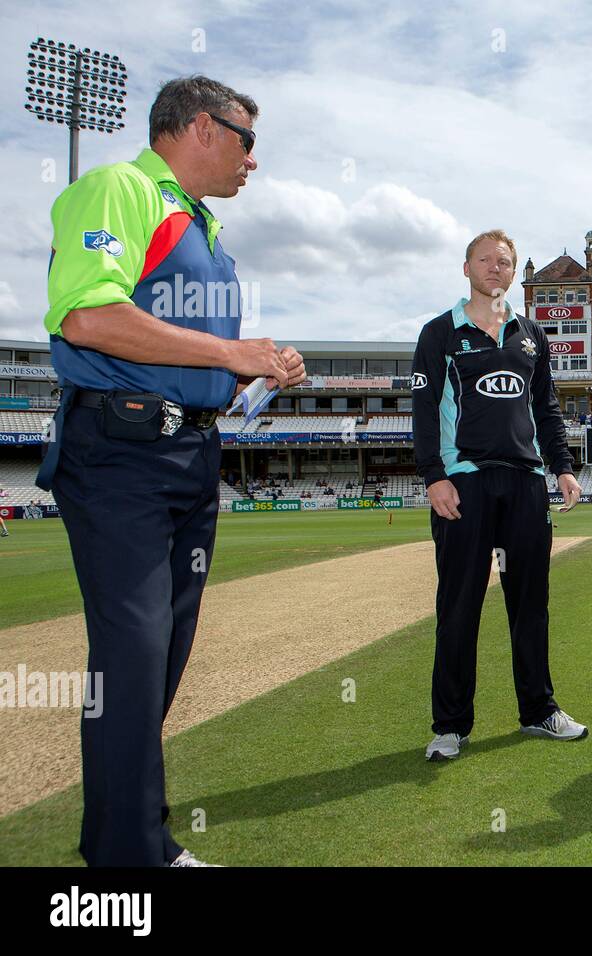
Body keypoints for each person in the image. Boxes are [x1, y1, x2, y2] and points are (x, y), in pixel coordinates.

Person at [35, 76, 305, 866]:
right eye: (246, 139)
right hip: (122, 454)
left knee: (159, 658)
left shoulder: (206, 232)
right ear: (197, 126)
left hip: (190, 450)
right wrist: (231, 351)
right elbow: (88, 315)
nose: (254, 159)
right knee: (134, 654)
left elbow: (192, 363)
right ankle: (132, 860)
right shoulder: (119, 188)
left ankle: (125, 838)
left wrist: (255, 371)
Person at [414, 229, 587, 762]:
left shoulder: (531, 333)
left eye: (505, 261)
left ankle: (538, 710)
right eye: (485, 260)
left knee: (530, 605)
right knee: (460, 606)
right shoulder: (440, 332)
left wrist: (562, 467)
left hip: (525, 485)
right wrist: (433, 475)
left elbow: (547, 410)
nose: (495, 267)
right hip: (463, 483)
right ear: (466, 268)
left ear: (513, 272)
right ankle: (450, 725)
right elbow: (422, 411)